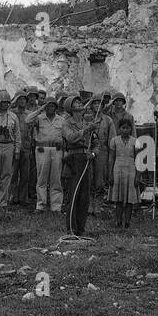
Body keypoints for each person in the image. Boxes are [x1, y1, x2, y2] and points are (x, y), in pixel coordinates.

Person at [62, 100, 96, 236]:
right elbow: (70, 138)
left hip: (86, 160)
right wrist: (86, 130)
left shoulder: (87, 122)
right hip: (73, 160)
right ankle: (71, 229)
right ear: (71, 107)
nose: (80, 104)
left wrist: (93, 153)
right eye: (76, 102)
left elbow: (96, 143)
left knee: (84, 197)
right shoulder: (66, 123)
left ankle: (81, 229)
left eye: (79, 102)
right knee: (73, 194)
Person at [30, 95, 65, 213]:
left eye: (52, 106)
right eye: (48, 105)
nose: (50, 108)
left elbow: (64, 136)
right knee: (41, 177)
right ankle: (41, 205)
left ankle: (56, 206)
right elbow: (27, 120)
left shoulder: (61, 119)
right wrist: (40, 109)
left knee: (56, 178)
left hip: (57, 149)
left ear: (56, 107)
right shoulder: (39, 118)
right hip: (42, 149)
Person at [107, 114, 140, 229]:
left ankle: (127, 222)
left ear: (131, 129)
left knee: (130, 199)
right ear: (119, 129)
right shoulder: (114, 141)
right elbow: (111, 158)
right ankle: (118, 221)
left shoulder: (135, 141)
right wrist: (110, 174)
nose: (125, 130)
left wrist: (137, 176)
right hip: (118, 169)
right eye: (123, 128)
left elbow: (138, 160)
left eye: (127, 128)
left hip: (131, 170)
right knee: (118, 199)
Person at [0, 90, 19, 209]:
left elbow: (17, 135)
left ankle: (3, 201)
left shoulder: (13, 117)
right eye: (1, 102)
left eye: (6, 102)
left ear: (9, 103)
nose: (4, 105)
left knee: (6, 174)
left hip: (8, 145)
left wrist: (17, 150)